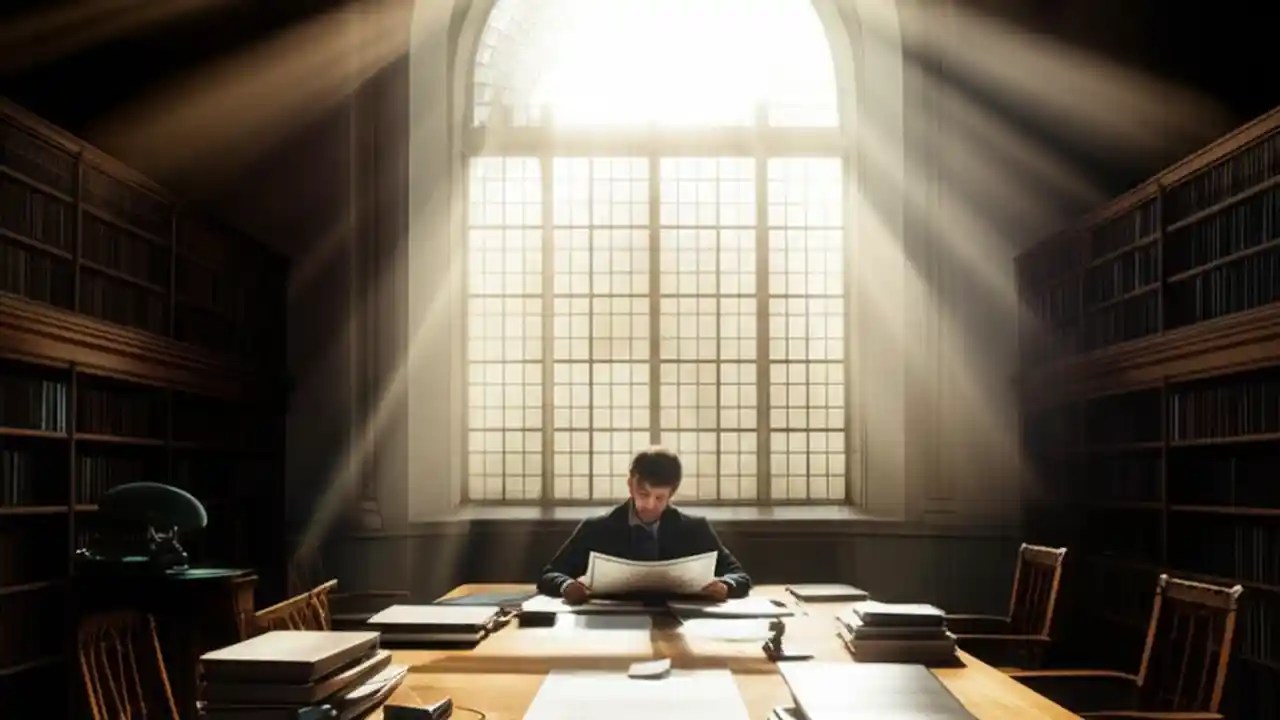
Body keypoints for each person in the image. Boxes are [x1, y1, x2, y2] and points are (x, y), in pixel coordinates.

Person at [537, 447, 752, 603]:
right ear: (631, 485)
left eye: (659, 498)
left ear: (672, 493)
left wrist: (725, 586)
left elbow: (739, 576)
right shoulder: (596, 528)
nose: (650, 504)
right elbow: (549, 575)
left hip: (679, 622)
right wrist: (567, 586)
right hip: (609, 623)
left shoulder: (695, 529)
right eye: (643, 494)